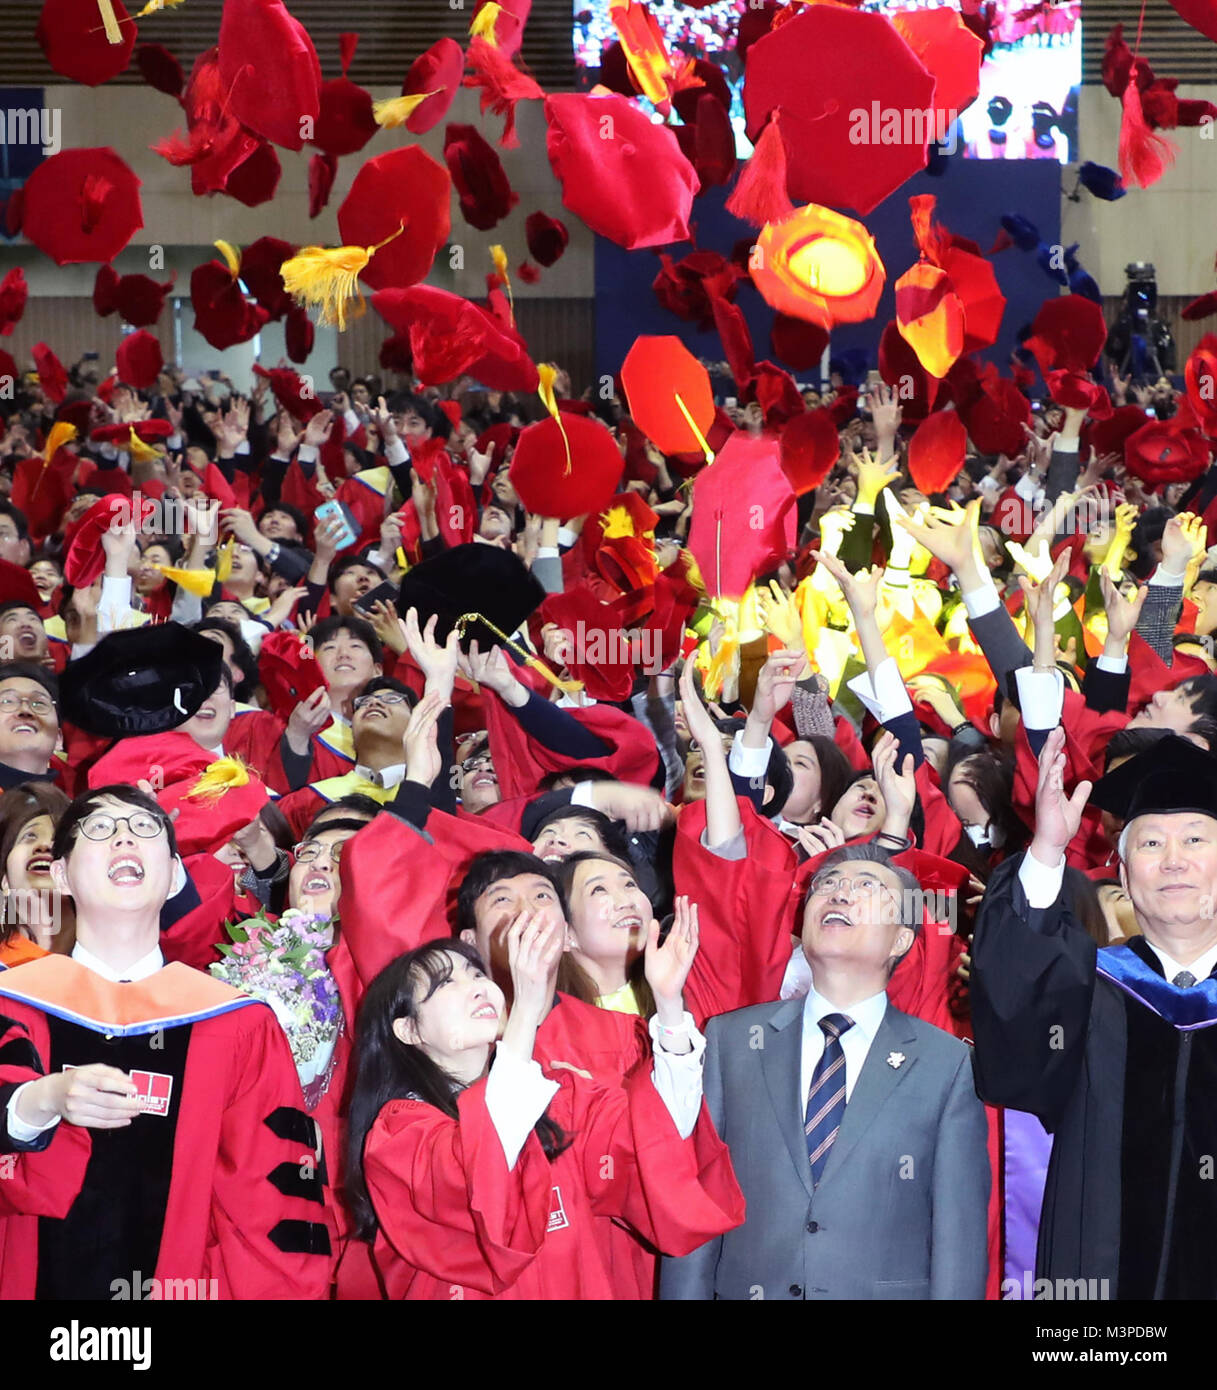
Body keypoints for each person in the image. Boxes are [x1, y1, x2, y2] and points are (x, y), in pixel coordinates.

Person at [0, 784, 334, 1299]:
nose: (124, 840)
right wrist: (34, 1104)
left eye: (143, 828)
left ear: (174, 870)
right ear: (62, 873)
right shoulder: (13, 1003)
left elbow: (268, 1205)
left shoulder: (235, 1024)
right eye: (101, 829)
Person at [345, 908, 744, 1298]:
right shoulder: (398, 1133)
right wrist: (525, 1012)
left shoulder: (556, 1095)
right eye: (447, 983)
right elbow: (478, 1167)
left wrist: (669, 1006)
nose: (479, 986)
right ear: (409, 1029)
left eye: (477, 973)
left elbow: (659, 1137)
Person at [661, 842, 990, 1300]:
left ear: (900, 939)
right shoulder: (730, 1040)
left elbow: (959, 1237)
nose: (838, 894)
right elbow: (698, 1205)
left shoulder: (946, 1064)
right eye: (827, 886)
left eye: (865, 887)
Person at [970, 730, 1217, 1299]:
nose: (1173, 860)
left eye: (1195, 839)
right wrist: (1046, 853)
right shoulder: (1088, 986)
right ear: (1125, 877)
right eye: (1150, 844)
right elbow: (1014, 1045)